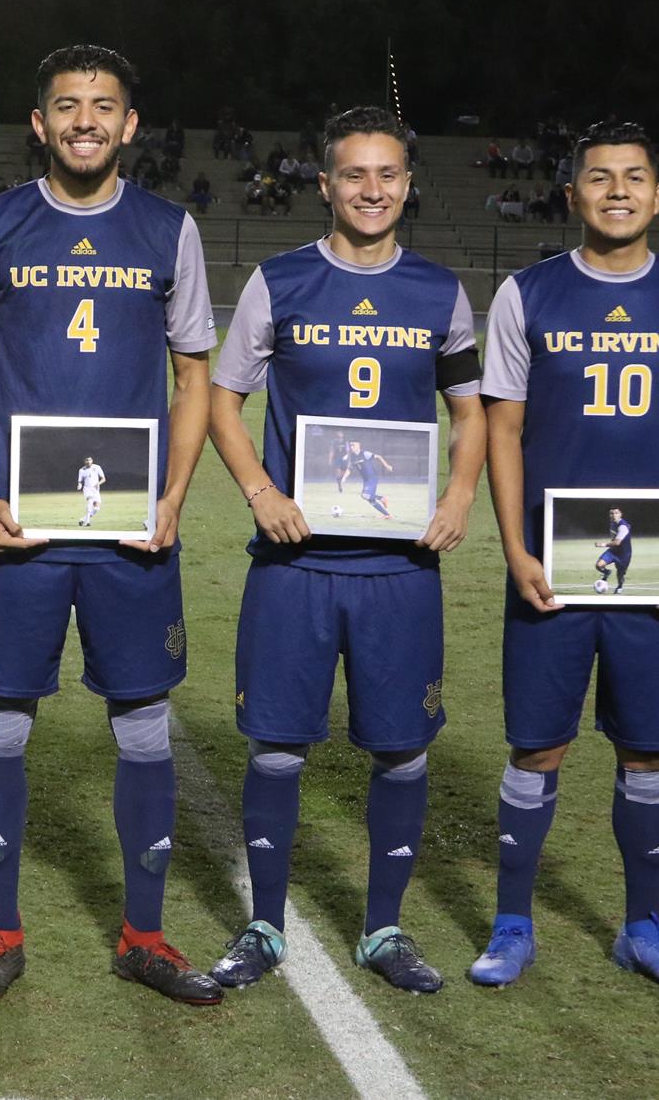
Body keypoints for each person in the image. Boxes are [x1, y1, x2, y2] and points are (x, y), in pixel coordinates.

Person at [0, 44, 220, 1006]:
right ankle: (2, 934)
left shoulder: (169, 230)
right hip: (20, 529)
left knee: (143, 725)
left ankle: (144, 933)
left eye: (104, 106)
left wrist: (175, 495)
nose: (86, 120)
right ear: (40, 121)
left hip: (132, 532)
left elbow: (194, 379)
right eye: (67, 105)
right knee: (4, 721)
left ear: (131, 124)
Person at [205, 104, 485, 995]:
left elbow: (471, 412)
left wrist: (458, 494)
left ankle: (385, 928)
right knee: (277, 749)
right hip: (294, 564)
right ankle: (262, 925)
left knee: (402, 749)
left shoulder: (441, 292)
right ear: (325, 185)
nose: (373, 189)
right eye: (355, 175)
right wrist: (261, 490)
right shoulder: (277, 281)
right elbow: (222, 400)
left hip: (399, 568)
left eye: (389, 174)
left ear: (408, 183)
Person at [468, 120, 659, 993]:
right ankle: (513, 924)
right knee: (538, 747)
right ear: (573, 194)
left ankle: (643, 927)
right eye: (600, 177)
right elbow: (503, 430)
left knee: (650, 750)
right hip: (550, 568)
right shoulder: (528, 294)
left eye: (635, 176)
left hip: (656, 567)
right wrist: (515, 547)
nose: (618, 190)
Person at [595, 507, 631, 593]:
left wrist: (602, 544)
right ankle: (607, 572)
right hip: (613, 551)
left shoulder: (623, 526)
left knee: (620, 575)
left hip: (624, 555)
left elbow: (617, 543)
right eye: (611, 513)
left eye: (616, 513)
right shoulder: (612, 522)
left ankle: (619, 586)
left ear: (620, 514)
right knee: (599, 565)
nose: (614, 515)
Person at [76, 455, 107, 526]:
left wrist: (98, 484)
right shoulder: (81, 470)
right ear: (84, 462)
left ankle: (83, 519)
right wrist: (79, 485)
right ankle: (87, 522)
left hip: (96, 490)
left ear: (92, 461)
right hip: (87, 489)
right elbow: (80, 481)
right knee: (90, 502)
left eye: (89, 460)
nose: (88, 462)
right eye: (87, 460)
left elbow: (103, 479)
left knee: (96, 509)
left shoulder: (97, 467)